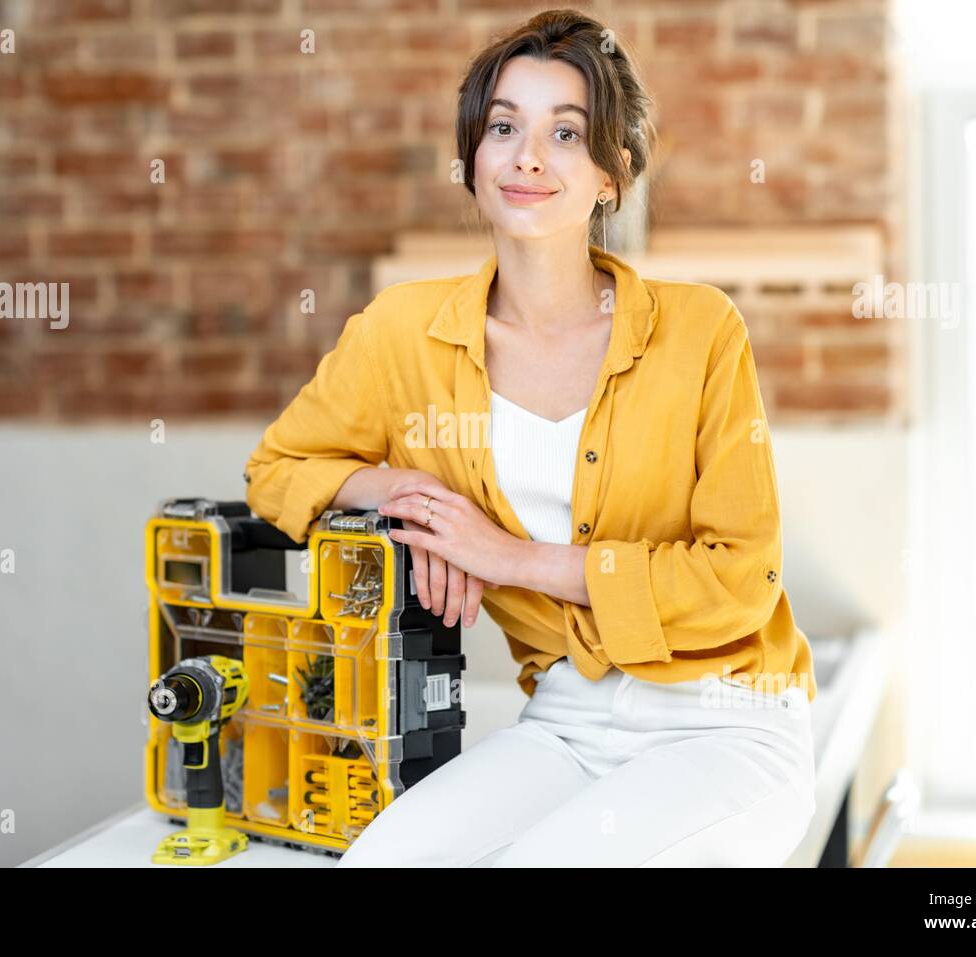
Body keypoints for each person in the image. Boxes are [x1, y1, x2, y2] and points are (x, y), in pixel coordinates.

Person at [245, 8, 817, 867]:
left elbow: (741, 577)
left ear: (612, 174)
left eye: (567, 132)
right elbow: (278, 467)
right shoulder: (401, 333)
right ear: (472, 155)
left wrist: (505, 556)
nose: (529, 157)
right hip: (567, 719)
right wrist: (399, 489)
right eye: (505, 127)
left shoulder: (701, 331)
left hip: (728, 719)